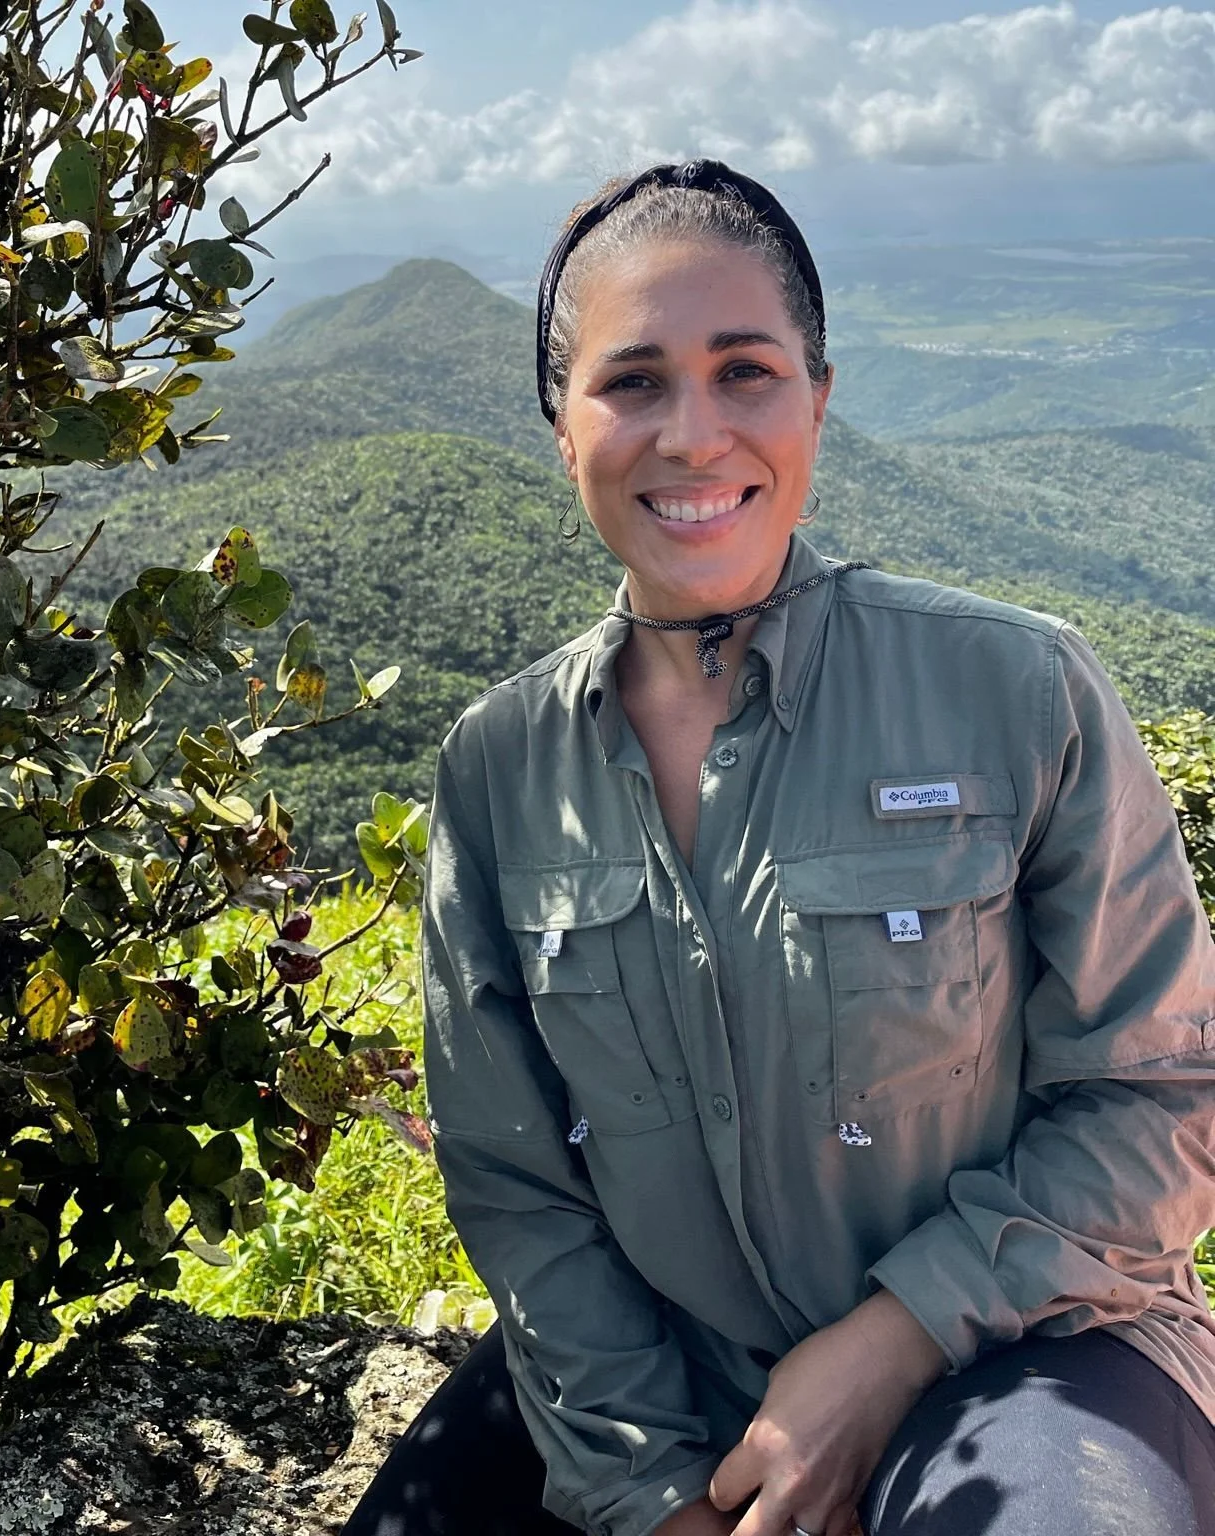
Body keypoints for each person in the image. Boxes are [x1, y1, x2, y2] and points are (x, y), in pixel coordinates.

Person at [340, 160, 1215, 1536]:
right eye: (633, 382)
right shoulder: (501, 769)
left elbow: (1160, 1093)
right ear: (562, 428)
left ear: (818, 394)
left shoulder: (1018, 689)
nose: (693, 436)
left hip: (1034, 1344)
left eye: (745, 371)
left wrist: (892, 1341)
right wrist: (649, 1488)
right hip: (673, 1373)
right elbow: (517, 1182)